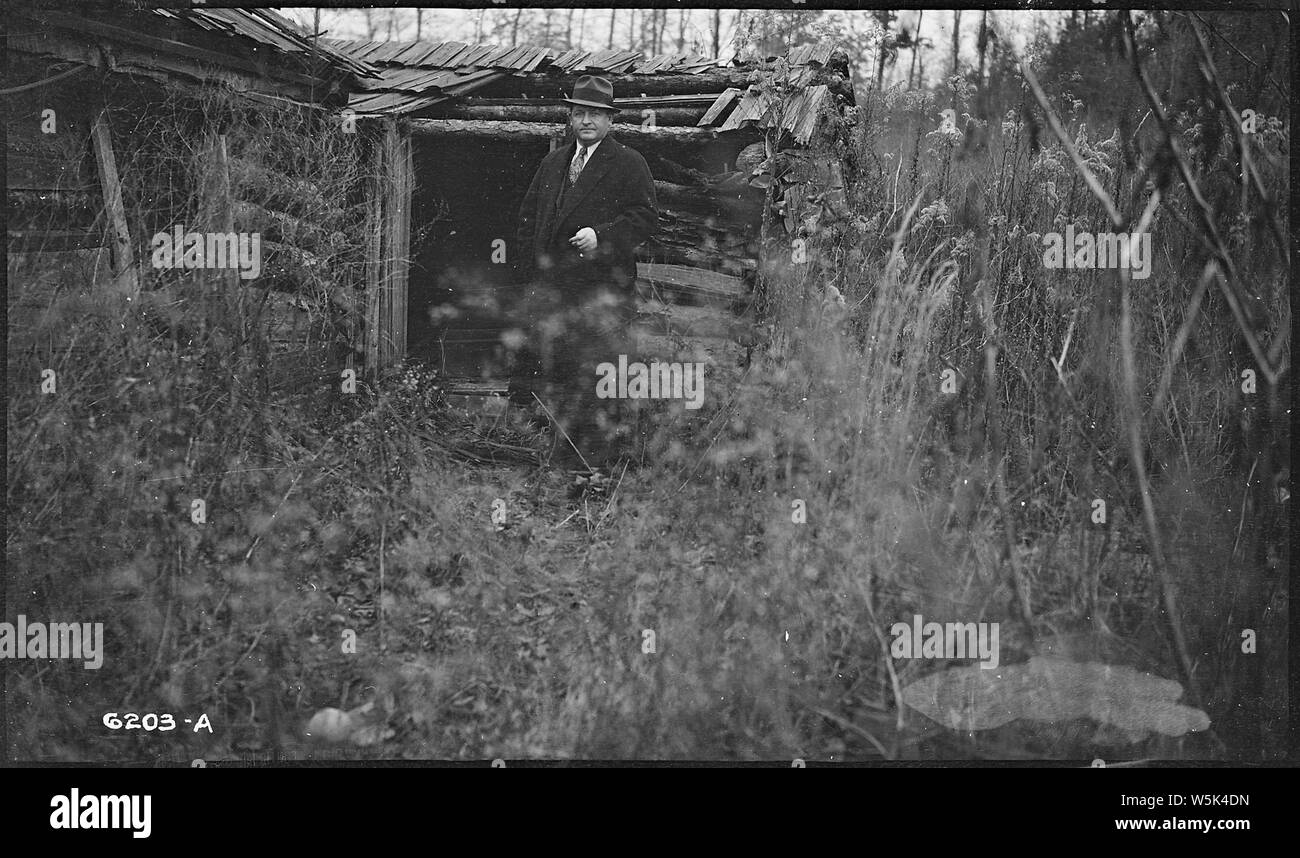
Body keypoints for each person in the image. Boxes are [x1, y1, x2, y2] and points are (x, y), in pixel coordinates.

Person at [509, 74, 659, 471]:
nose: (586, 120)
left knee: (595, 377)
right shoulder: (553, 161)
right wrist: (533, 270)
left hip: (601, 296)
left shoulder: (628, 163)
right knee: (553, 371)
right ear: (570, 118)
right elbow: (527, 220)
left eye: (595, 113)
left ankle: (595, 467)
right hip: (553, 293)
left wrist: (602, 238)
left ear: (610, 120)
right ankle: (555, 460)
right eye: (579, 113)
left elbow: (645, 219)